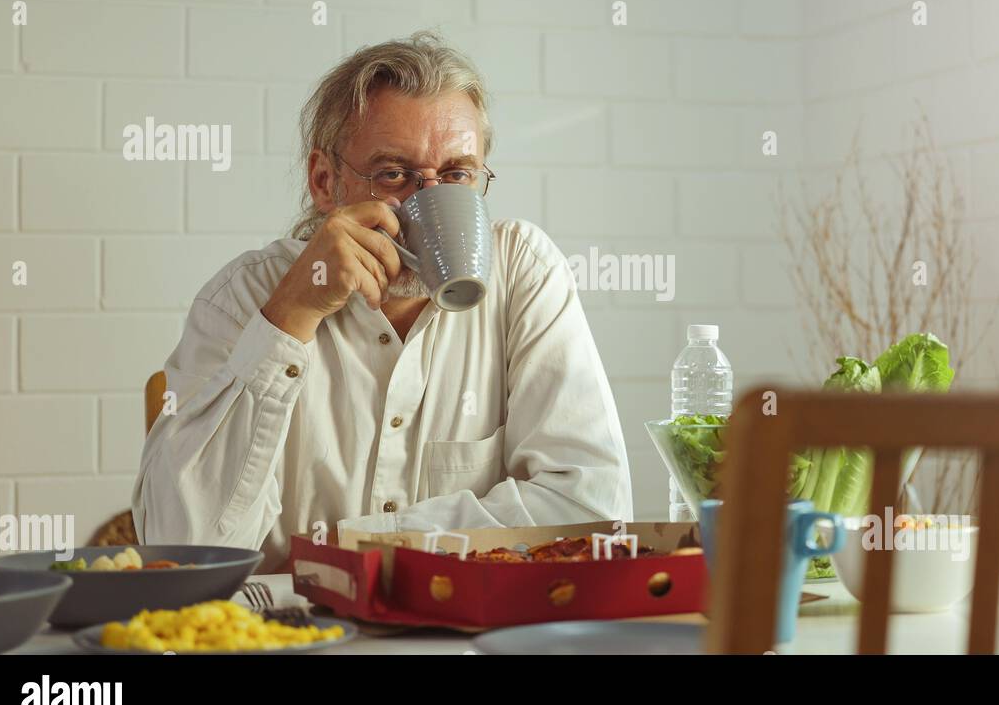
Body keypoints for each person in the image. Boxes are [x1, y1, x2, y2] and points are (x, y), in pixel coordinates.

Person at [133, 32, 632, 570]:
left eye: (457, 175)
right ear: (325, 181)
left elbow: (592, 508)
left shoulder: (522, 273)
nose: (429, 201)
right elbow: (183, 546)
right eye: (394, 174)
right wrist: (287, 322)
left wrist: (361, 547)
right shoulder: (244, 299)